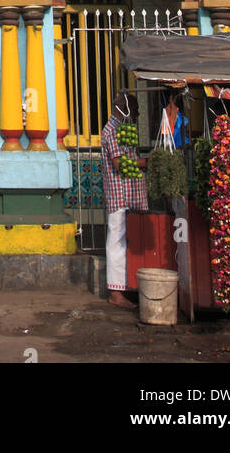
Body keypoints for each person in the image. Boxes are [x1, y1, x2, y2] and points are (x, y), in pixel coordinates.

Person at [101, 90, 148, 308]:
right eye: (135, 109)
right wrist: (146, 163)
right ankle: (115, 292)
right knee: (117, 242)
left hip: (131, 194)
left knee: (128, 242)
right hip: (120, 195)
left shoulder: (123, 129)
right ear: (125, 108)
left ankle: (127, 286)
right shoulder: (112, 131)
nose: (137, 114)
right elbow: (120, 165)